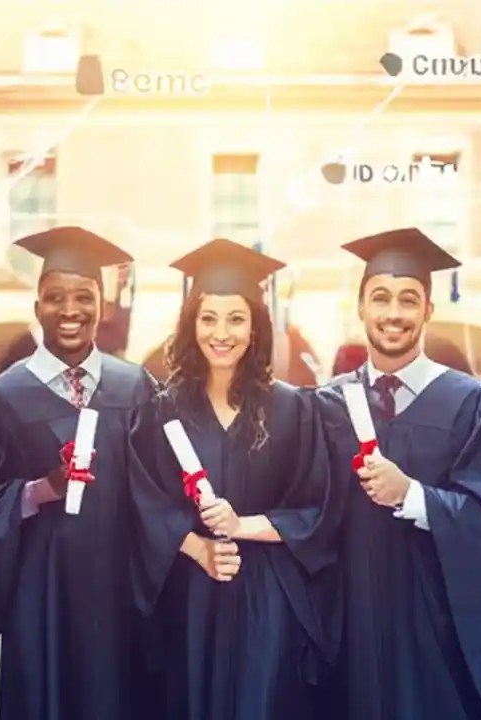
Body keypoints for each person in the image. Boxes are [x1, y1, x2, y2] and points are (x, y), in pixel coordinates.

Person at [316, 228, 481, 720]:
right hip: (351, 633)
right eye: (381, 298)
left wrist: (415, 496)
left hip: (437, 636)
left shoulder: (471, 402)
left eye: (409, 300)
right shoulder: (326, 405)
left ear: (428, 310)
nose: (394, 313)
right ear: (361, 307)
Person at [128, 238, 334, 720]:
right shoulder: (161, 409)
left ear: (256, 327)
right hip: (190, 595)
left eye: (236, 318)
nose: (222, 333)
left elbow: (317, 508)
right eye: (209, 318)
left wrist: (242, 525)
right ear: (191, 324)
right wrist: (196, 547)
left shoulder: (292, 409)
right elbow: (142, 500)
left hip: (267, 596)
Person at [0, 226, 157, 720]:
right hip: (38, 594)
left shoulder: (136, 386)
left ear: (104, 304)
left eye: (84, 296)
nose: (70, 310)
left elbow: (158, 494)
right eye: (55, 298)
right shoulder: (2, 394)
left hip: (119, 594)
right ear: (37, 308)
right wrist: (43, 489)